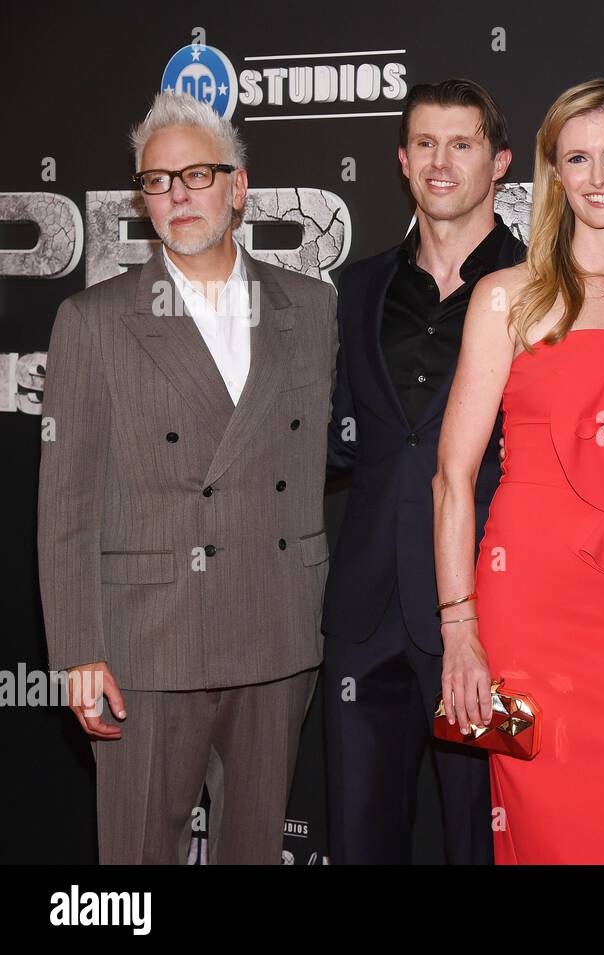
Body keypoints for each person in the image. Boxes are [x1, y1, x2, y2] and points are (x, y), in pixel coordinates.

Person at [37, 90, 337, 864]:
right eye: (157, 182)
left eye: (196, 175)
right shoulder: (94, 321)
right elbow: (67, 501)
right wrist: (77, 652)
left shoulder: (311, 306)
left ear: (238, 188)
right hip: (148, 638)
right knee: (136, 861)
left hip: (273, 631)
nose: (177, 196)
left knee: (253, 849)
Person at [432, 78, 604, 864]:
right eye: (576, 158)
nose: (598, 176)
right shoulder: (506, 298)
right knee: (541, 830)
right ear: (554, 176)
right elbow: (453, 477)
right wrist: (460, 631)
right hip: (531, 611)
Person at [321, 80, 523, 865]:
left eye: (463, 144)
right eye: (426, 145)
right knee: (359, 839)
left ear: (500, 161)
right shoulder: (358, 288)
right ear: (404, 161)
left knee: (483, 842)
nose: (443, 163)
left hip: (485, 615)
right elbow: (335, 436)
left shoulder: (543, 285)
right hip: (364, 614)